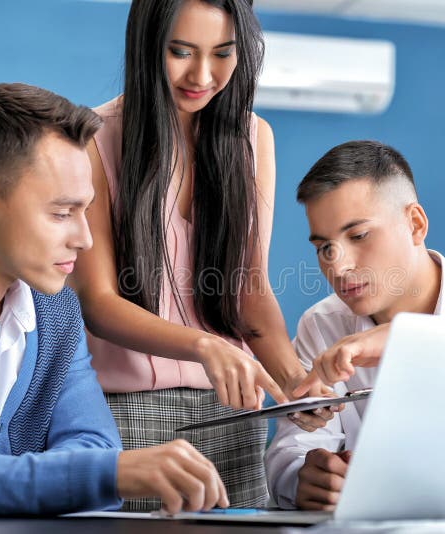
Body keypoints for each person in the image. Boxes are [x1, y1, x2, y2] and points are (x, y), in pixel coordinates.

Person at [71, 0, 330, 511]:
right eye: (181, 52)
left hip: (234, 418)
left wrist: (294, 384)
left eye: (223, 54)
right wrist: (205, 347)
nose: (203, 75)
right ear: (148, 47)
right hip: (130, 420)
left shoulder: (254, 138)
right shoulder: (94, 138)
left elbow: (250, 293)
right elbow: (98, 303)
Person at [0, 82, 228, 516]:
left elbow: (92, 440)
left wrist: (83, 471)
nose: (86, 239)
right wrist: (94, 475)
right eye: (61, 213)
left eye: (85, 211)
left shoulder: (57, 312)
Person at [264, 140, 445, 511]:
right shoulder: (321, 326)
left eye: (358, 236)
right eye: (324, 247)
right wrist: (302, 479)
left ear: (416, 224)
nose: (337, 266)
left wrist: (408, 340)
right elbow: (293, 449)